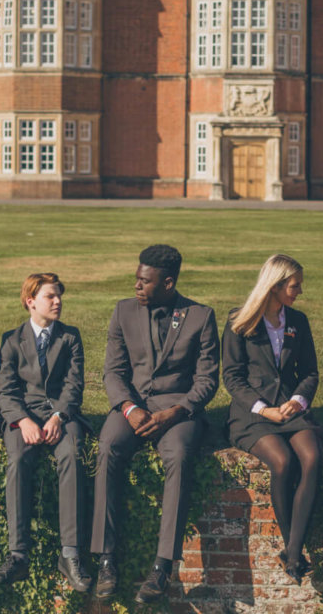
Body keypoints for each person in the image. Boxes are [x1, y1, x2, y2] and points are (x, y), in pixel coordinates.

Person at [91, 244, 220, 604]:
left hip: (178, 410)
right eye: (135, 278)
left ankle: (163, 566)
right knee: (108, 446)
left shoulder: (200, 316)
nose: (136, 286)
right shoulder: (123, 312)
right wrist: (129, 408)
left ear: (167, 283)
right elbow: (113, 372)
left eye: (144, 281)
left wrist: (176, 412)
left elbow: (207, 380)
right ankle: (106, 559)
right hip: (131, 406)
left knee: (179, 455)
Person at [221, 254, 321, 584]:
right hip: (252, 415)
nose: (299, 292)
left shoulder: (298, 321)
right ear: (275, 286)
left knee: (311, 456)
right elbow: (233, 377)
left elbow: (309, 372)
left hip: (290, 409)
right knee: (281, 461)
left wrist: (297, 399)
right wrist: (264, 408)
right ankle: (294, 552)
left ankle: (292, 552)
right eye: (295, 286)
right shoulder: (240, 322)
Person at [0, 273, 90, 591]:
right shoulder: (11, 339)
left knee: (72, 455)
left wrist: (59, 416)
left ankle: (70, 554)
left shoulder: (70, 337)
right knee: (17, 460)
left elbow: (74, 386)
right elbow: (4, 391)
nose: (58, 301)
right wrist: (22, 420)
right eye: (50, 296)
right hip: (25, 417)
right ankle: (18, 555)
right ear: (30, 302)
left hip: (62, 415)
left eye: (59, 296)